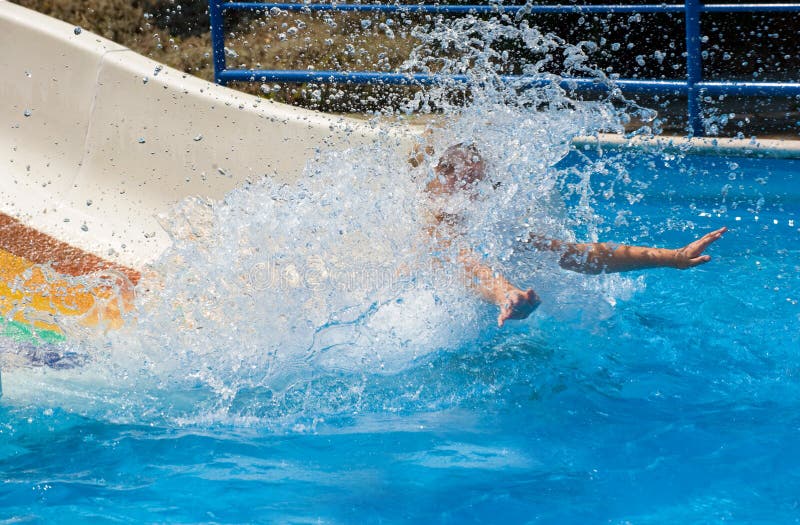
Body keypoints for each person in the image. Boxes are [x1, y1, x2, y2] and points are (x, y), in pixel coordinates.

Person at [420, 143, 727, 327]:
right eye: (462, 181)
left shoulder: (498, 228)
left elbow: (580, 255)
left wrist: (673, 258)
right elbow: (471, 269)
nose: (471, 191)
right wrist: (507, 295)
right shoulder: (435, 230)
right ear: (440, 180)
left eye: (479, 181)